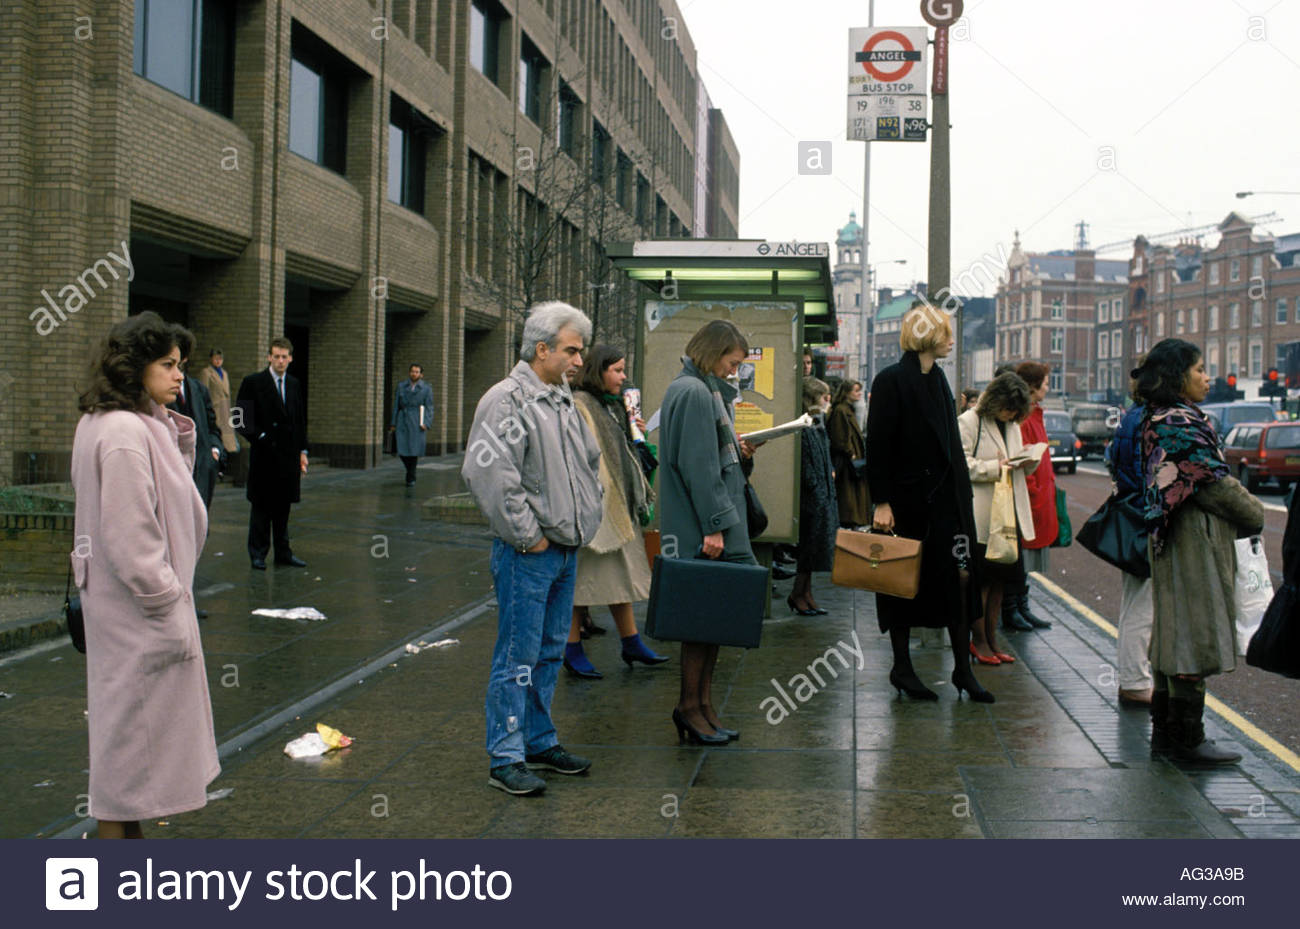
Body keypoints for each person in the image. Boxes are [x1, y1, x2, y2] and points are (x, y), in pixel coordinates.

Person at [70, 312, 220, 838]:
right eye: (168, 364)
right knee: (127, 763)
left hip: (120, 616)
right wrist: (168, 600)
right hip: (139, 621)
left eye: (181, 365)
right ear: (136, 367)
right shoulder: (125, 431)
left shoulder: (111, 422)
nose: (181, 375)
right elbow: (133, 541)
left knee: (127, 760)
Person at [461, 301, 603, 796]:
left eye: (580, 351)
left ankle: (539, 741)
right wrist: (529, 535)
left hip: (562, 550)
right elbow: (489, 475)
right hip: (531, 554)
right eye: (571, 350)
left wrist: (587, 515)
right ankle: (505, 755)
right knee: (518, 656)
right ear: (541, 349)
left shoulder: (559, 397)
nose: (579, 360)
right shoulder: (508, 401)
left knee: (546, 652)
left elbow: (587, 462)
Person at [1138, 339, 1264, 764]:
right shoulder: (1179, 420)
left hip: (1171, 536)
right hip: (1192, 539)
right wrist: (1255, 513)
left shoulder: (1160, 416)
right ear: (1178, 377)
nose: (1207, 377)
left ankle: (1165, 736)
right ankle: (1188, 738)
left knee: (1172, 635)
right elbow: (1213, 484)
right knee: (1192, 633)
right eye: (1199, 370)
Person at [866, 303, 993, 703]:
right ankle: (902, 667)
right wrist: (881, 502)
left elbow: (951, 447)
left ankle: (962, 669)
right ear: (926, 336)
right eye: (944, 332)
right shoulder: (891, 381)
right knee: (901, 582)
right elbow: (879, 446)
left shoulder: (938, 380)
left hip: (948, 505)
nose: (952, 339)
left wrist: (963, 500)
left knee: (960, 581)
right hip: (907, 504)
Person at [660, 319, 759, 742]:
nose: (733, 371)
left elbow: (705, 460)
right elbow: (699, 468)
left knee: (709, 619)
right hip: (705, 530)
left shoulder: (696, 390)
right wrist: (715, 528)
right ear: (712, 353)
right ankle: (690, 707)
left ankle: (702, 705)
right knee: (702, 623)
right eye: (731, 362)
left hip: (702, 524)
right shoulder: (698, 394)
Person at [562, 344, 667, 678]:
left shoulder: (609, 405)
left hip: (618, 505)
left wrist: (636, 434)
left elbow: (625, 455)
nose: (623, 377)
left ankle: (631, 641)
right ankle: (571, 647)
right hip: (599, 511)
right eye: (617, 370)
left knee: (618, 578)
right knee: (584, 584)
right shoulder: (581, 405)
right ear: (599, 371)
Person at [959, 372, 1037, 665]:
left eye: (1016, 411)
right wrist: (995, 467)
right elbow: (961, 464)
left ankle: (992, 640)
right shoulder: (970, 421)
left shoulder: (1012, 424)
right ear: (996, 401)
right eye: (1008, 408)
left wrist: (1027, 462)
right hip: (983, 515)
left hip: (1008, 514)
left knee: (1001, 582)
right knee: (982, 582)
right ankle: (978, 642)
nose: (1011, 415)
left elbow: (1015, 461)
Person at [235, 337, 309, 570]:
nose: (280, 361)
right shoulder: (253, 382)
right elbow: (239, 419)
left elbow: (299, 420)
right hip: (265, 456)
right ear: (269, 357)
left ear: (290, 358)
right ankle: (257, 553)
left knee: (283, 507)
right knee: (261, 507)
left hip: (288, 457)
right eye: (276, 356)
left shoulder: (295, 384)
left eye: (284, 357)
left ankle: (283, 553)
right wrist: (262, 437)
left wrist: (303, 451)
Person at [1106, 364, 1155, 706]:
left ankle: (1132, 678)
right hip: (1146, 521)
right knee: (1144, 608)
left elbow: (1114, 458)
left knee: (1134, 604)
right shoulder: (1151, 420)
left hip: (1132, 517)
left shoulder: (1131, 415)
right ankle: (1136, 682)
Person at [1007, 361, 1057, 631]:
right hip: (1030, 497)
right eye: (1045, 383)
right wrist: (1034, 491)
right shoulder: (1024, 419)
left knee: (1024, 557)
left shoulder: (1034, 415)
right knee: (1019, 554)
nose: (1047, 388)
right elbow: (1022, 458)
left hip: (1039, 494)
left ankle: (1021, 606)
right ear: (1032, 387)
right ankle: (1012, 608)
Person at [789, 377, 837, 616]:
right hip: (812, 498)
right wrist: (819, 491)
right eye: (823, 397)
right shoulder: (806, 426)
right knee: (808, 549)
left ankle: (805, 593)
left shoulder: (818, 423)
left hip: (821, 495)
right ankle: (799, 593)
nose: (828, 401)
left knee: (814, 550)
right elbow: (806, 466)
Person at [168, 356, 225, 508]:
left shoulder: (199, 389)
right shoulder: (155, 394)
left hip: (202, 472)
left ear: (185, 358)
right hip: (173, 479)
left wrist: (214, 452)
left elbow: (212, 427)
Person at [826, 378, 870, 528]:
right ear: (846, 392)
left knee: (851, 497)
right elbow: (840, 437)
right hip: (847, 462)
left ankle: (851, 523)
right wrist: (850, 452)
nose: (858, 394)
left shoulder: (846, 409)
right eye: (855, 391)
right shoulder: (841, 410)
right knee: (849, 498)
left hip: (849, 460)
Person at [197, 348, 240, 484]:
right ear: (211, 359)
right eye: (215, 358)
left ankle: (224, 470)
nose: (218, 361)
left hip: (225, 410)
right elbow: (203, 393)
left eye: (220, 359)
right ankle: (217, 470)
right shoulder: (206, 373)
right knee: (217, 440)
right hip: (214, 411)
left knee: (229, 443)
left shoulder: (224, 373)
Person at [389, 363, 435, 486]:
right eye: (412, 371)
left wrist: (427, 422)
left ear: (421, 374)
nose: (414, 374)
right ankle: (409, 470)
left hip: (416, 419)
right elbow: (396, 406)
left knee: (414, 449)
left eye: (416, 372)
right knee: (402, 448)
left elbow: (429, 406)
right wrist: (393, 422)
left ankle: (411, 476)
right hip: (402, 418)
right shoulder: (401, 386)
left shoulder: (426, 388)